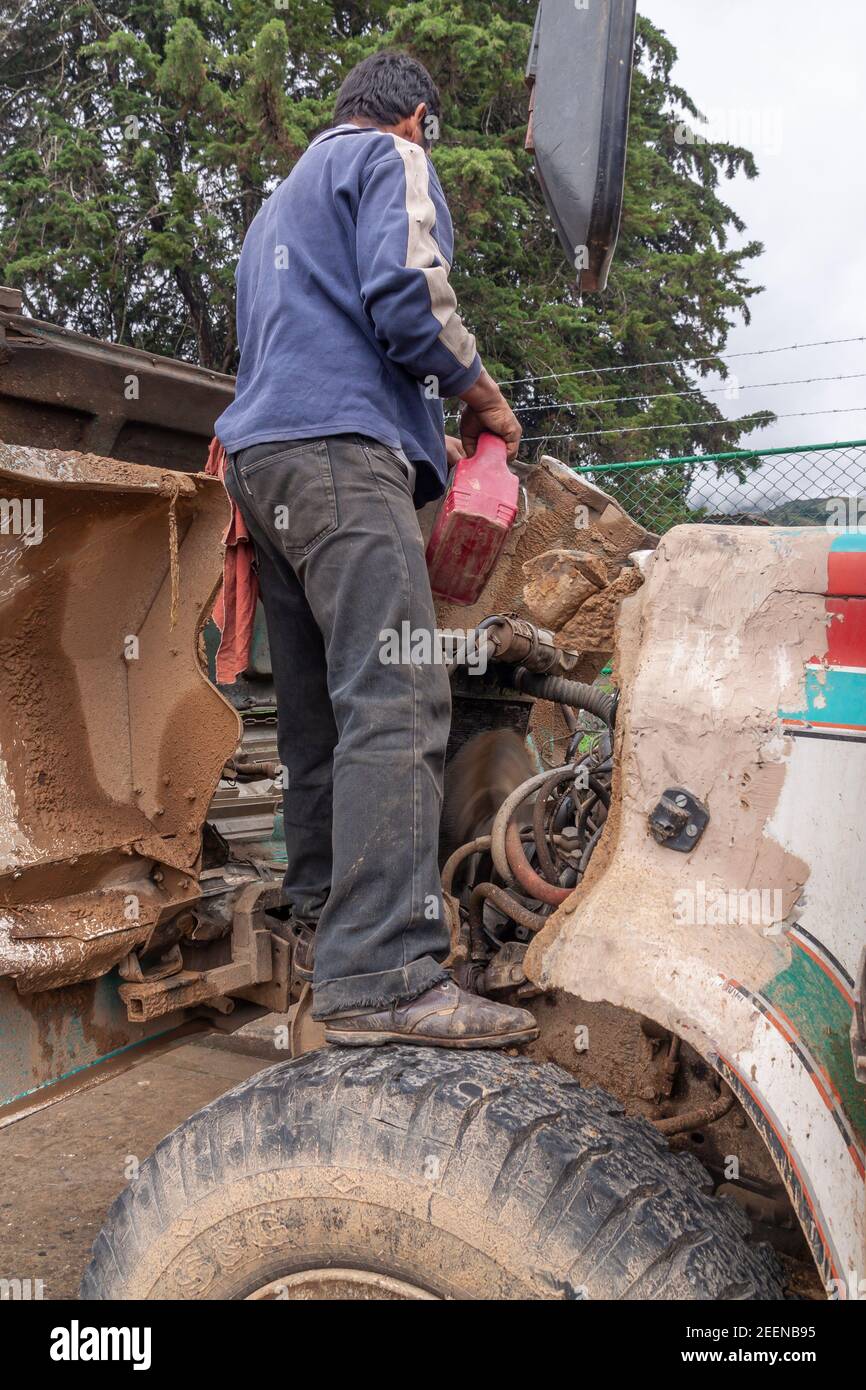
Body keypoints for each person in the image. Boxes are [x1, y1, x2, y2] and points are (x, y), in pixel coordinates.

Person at [214, 50, 536, 1048]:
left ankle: (321, 922)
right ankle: (386, 970)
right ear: (417, 119)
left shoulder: (276, 208)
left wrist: (401, 431)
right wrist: (482, 398)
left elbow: (310, 342)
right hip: (334, 461)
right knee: (397, 694)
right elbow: (408, 293)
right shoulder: (387, 160)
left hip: (261, 466)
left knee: (316, 714)